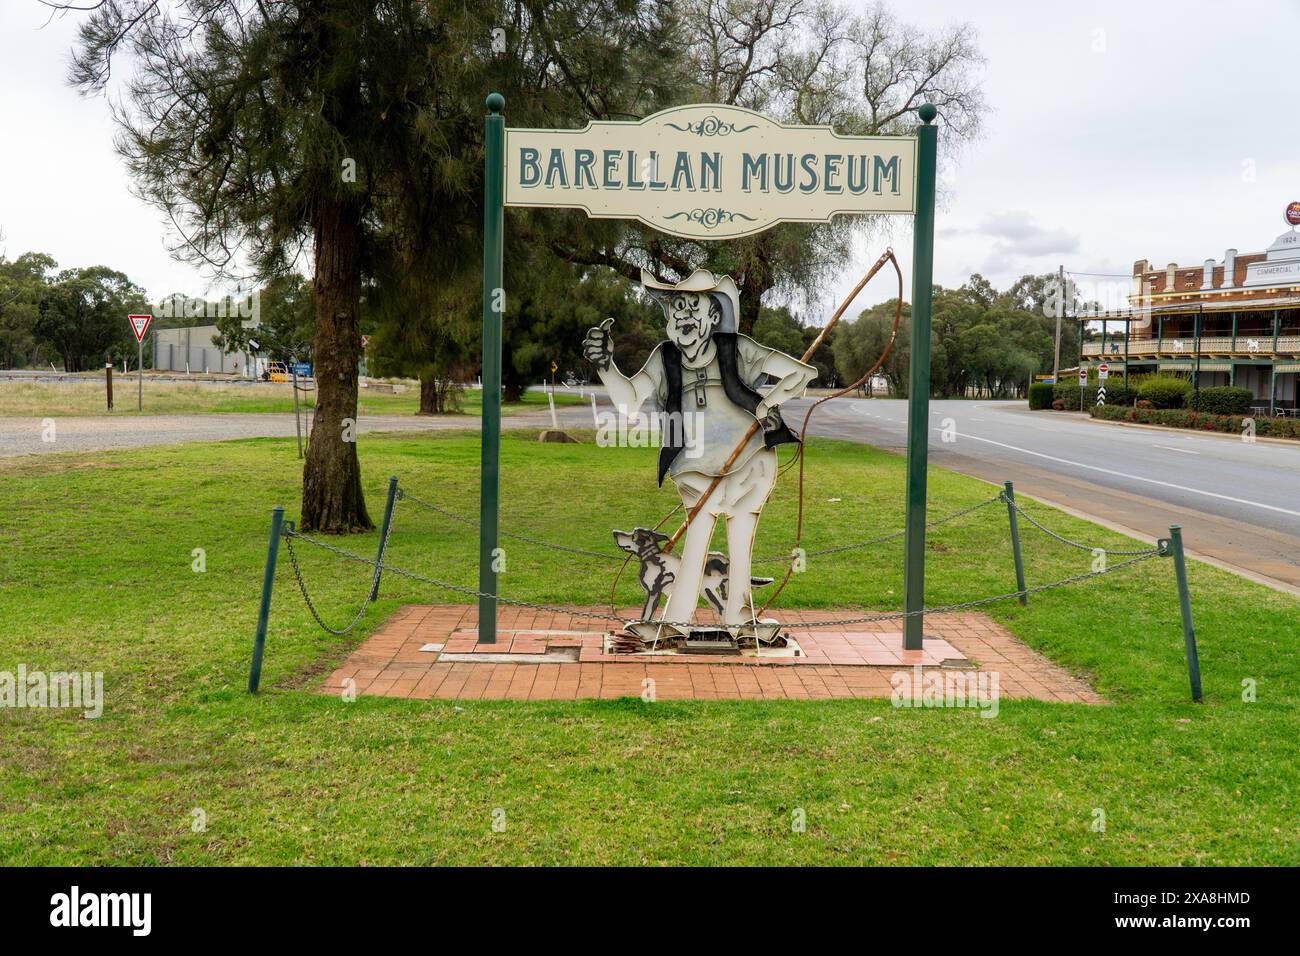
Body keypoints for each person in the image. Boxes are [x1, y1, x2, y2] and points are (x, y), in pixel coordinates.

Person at [583, 269, 816, 638]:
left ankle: (737, 622)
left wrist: (767, 403)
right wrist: (605, 366)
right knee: (696, 540)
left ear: (713, 315)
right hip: (694, 469)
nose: (684, 316)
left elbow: (802, 373)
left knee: (740, 540)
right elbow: (628, 401)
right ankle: (680, 622)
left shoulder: (736, 348)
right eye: (677, 308)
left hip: (749, 464)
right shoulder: (665, 358)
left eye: (694, 306)